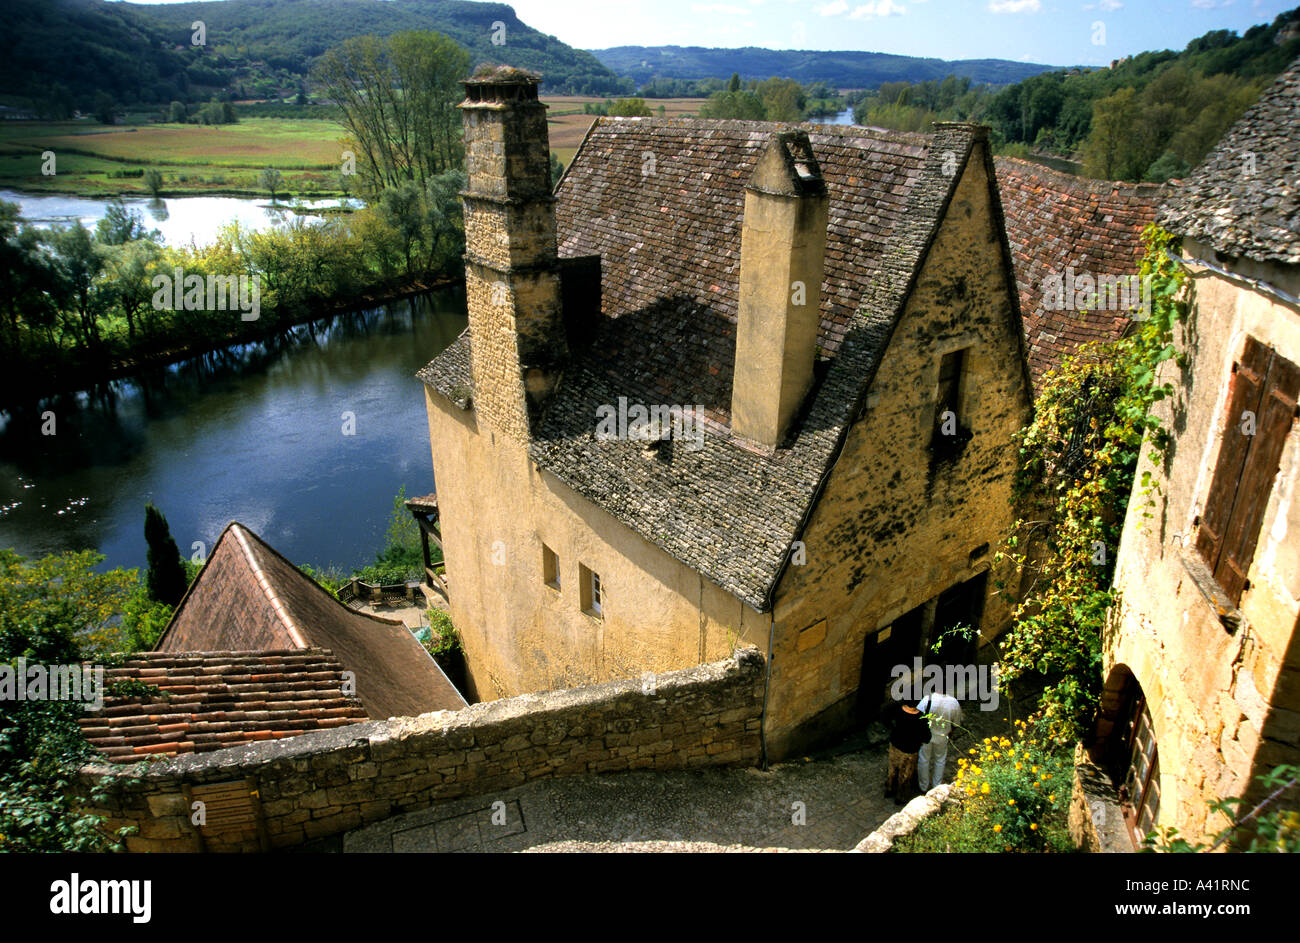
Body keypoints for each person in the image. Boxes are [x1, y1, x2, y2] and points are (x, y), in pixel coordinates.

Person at [917, 680, 964, 792]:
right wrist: (950, 732)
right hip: (943, 735)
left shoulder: (927, 700)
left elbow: (918, 717)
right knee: (940, 760)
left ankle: (923, 786)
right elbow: (956, 723)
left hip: (926, 736)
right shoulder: (954, 703)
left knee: (924, 759)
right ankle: (936, 786)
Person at [884, 698, 931, 805]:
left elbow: (885, 717)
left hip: (895, 744)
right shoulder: (921, 718)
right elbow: (926, 736)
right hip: (910, 749)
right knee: (905, 774)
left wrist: (892, 728)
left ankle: (890, 789)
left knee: (892, 768)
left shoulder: (897, 710)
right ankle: (901, 796)